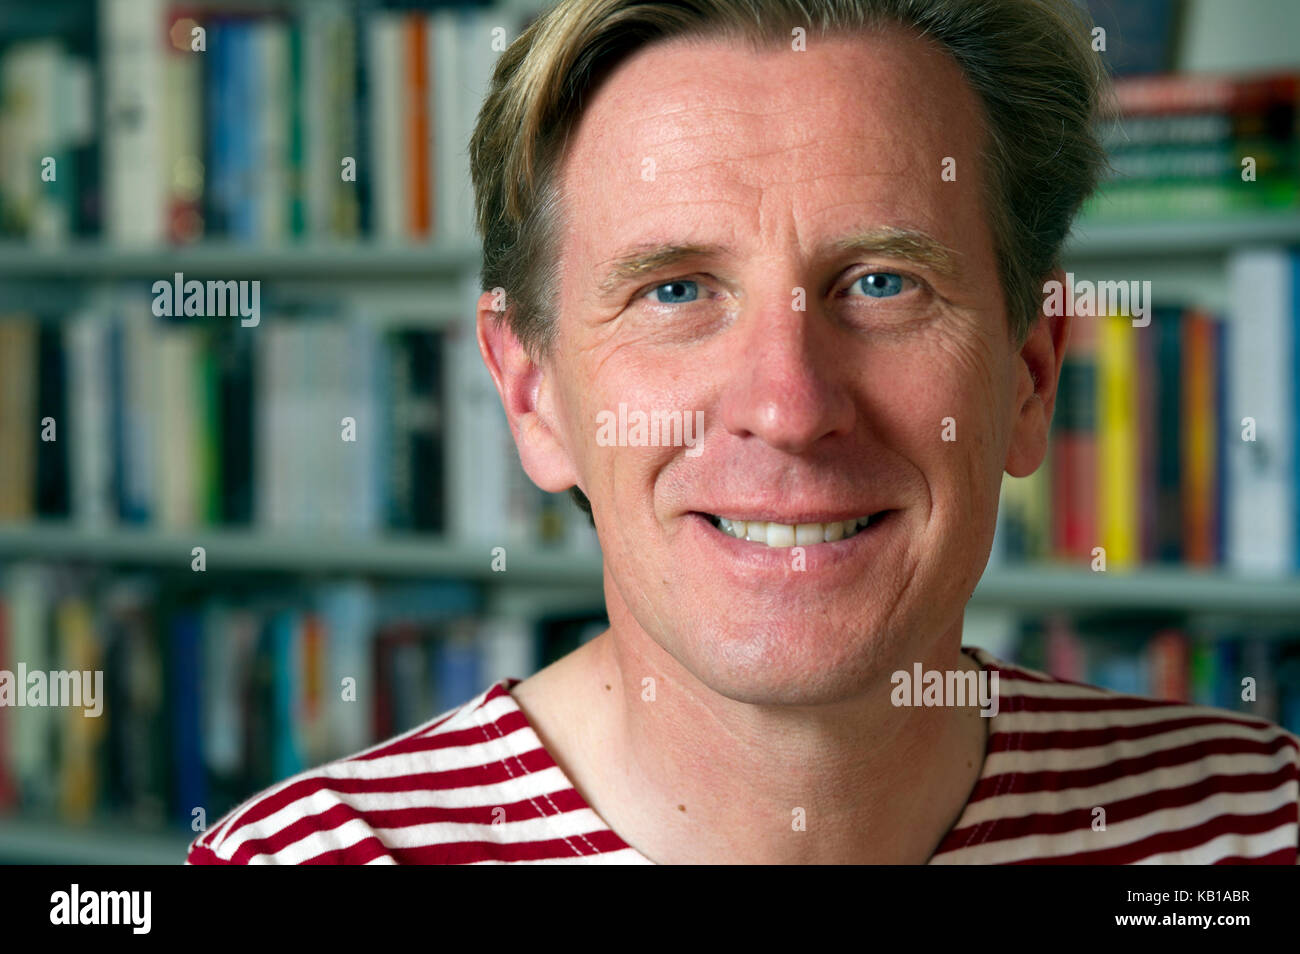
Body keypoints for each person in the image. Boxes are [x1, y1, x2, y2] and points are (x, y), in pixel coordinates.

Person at [188, 0, 1299, 865]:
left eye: (880, 281)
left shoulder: (1262, 828)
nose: (788, 405)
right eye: (674, 291)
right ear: (531, 394)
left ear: (1029, 372)